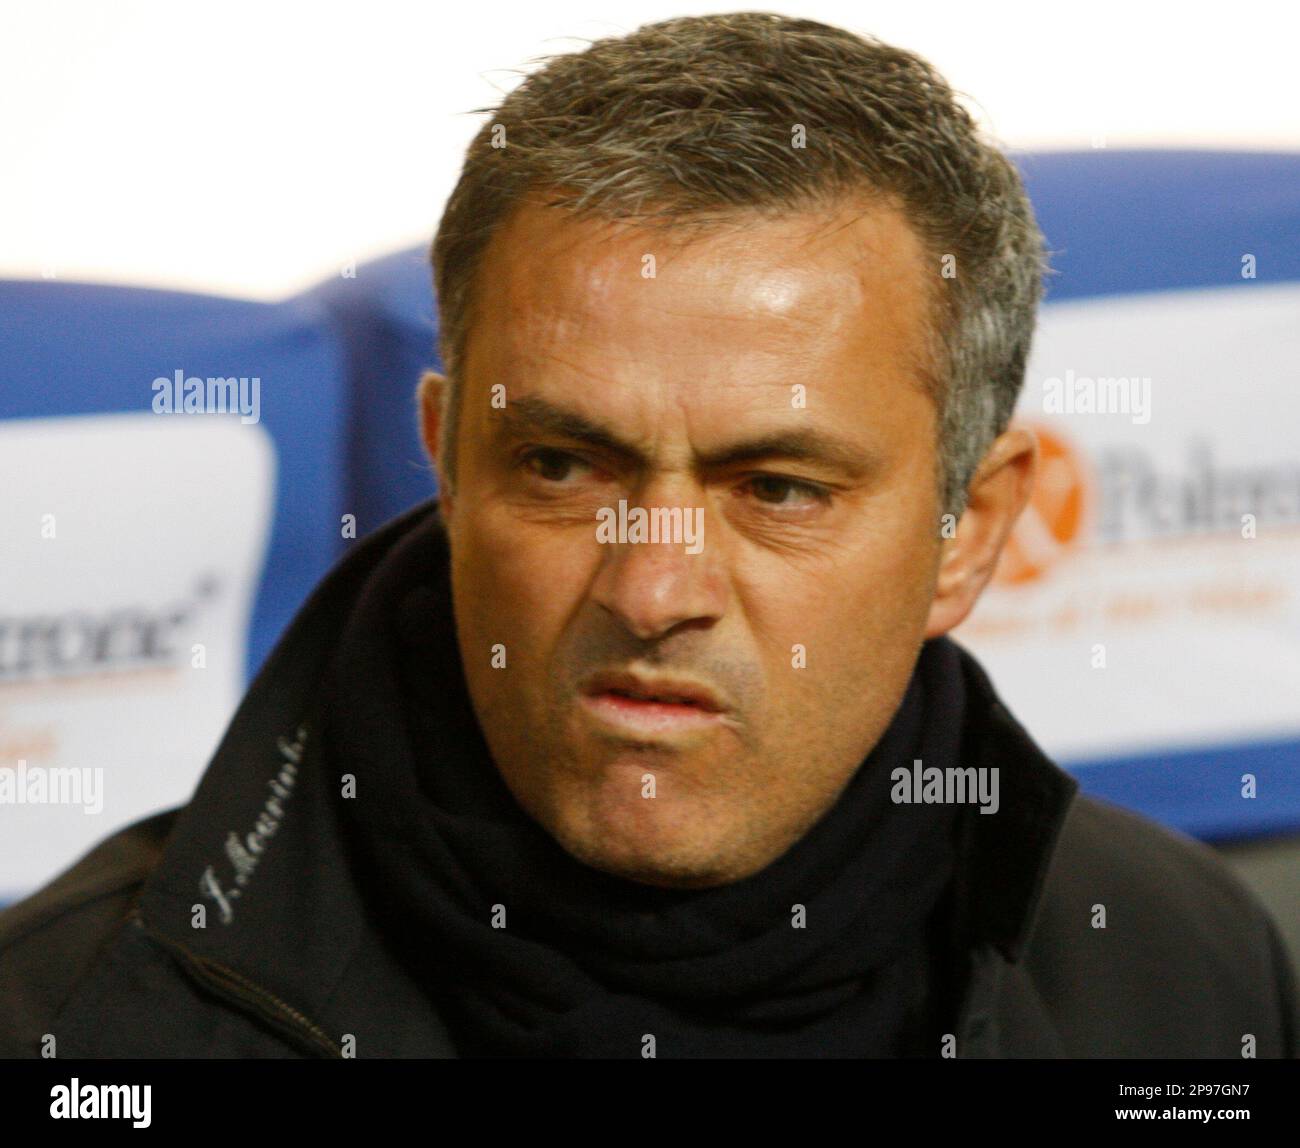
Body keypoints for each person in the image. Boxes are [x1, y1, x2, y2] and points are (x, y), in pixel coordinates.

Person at [1, 11, 1295, 1059]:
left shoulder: (1181, 965)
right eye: (561, 465)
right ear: (448, 462)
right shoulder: (74, 1030)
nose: (655, 584)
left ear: (972, 530)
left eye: (777, 488)